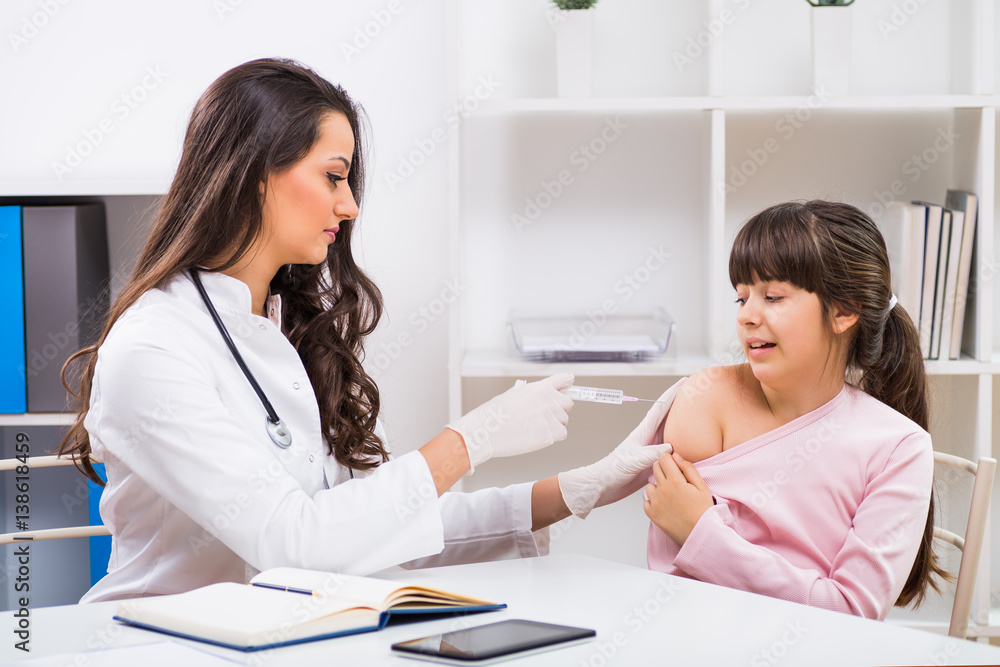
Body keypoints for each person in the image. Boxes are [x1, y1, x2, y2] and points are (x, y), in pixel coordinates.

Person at [59, 58, 667, 602]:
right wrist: (470, 441)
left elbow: (372, 530)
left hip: (284, 637)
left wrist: (581, 488)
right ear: (255, 173)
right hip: (161, 646)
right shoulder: (154, 348)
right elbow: (294, 543)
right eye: (333, 176)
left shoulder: (278, 332)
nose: (349, 206)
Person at [638, 200, 946, 620]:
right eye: (741, 298)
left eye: (773, 296)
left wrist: (702, 535)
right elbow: (670, 586)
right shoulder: (706, 400)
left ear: (844, 310)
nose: (747, 316)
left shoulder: (900, 447)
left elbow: (851, 612)